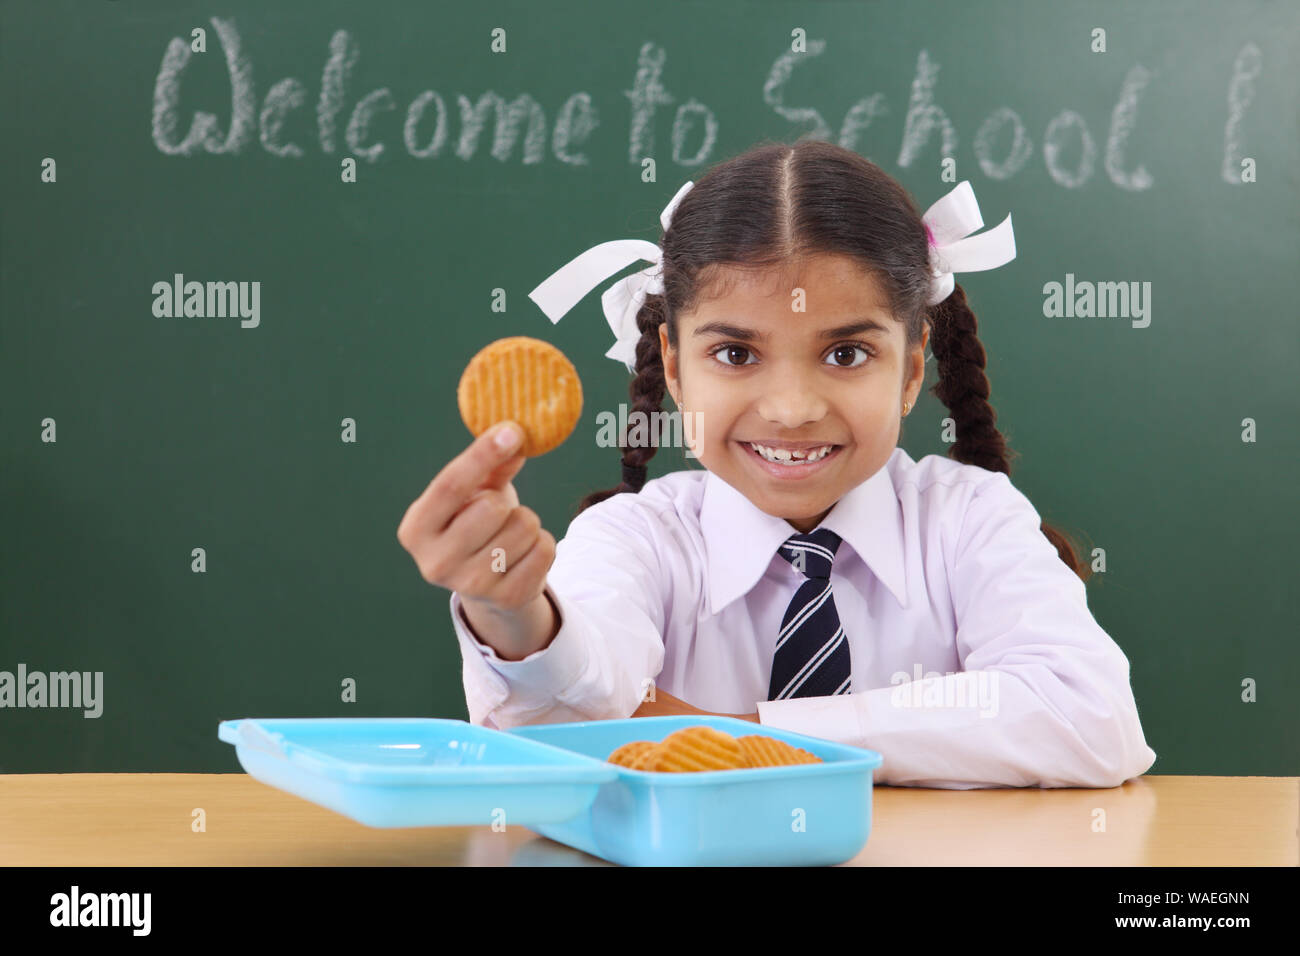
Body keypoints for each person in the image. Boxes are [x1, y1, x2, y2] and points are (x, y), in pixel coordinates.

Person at [397, 140, 1157, 788]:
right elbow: (569, 720)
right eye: (734, 353)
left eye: (847, 353)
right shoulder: (636, 537)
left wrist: (747, 737)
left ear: (912, 368)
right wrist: (511, 615)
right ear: (672, 364)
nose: (791, 407)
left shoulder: (969, 519)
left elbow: (1090, 715)